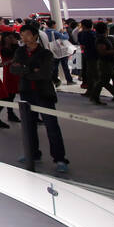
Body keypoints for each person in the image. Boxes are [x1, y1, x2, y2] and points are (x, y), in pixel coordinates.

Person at [11, 24, 70, 173]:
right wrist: (31, 69)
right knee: (28, 126)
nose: (24, 37)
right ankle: (32, 153)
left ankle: (60, 158)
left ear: (35, 36)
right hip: (26, 93)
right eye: (22, 34)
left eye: (27, 34)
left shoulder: (45, 54)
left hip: (43, 93)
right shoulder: (20, 51)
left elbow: (44, 74)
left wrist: (24, 69)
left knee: (52, 127)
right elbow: (13, 69)